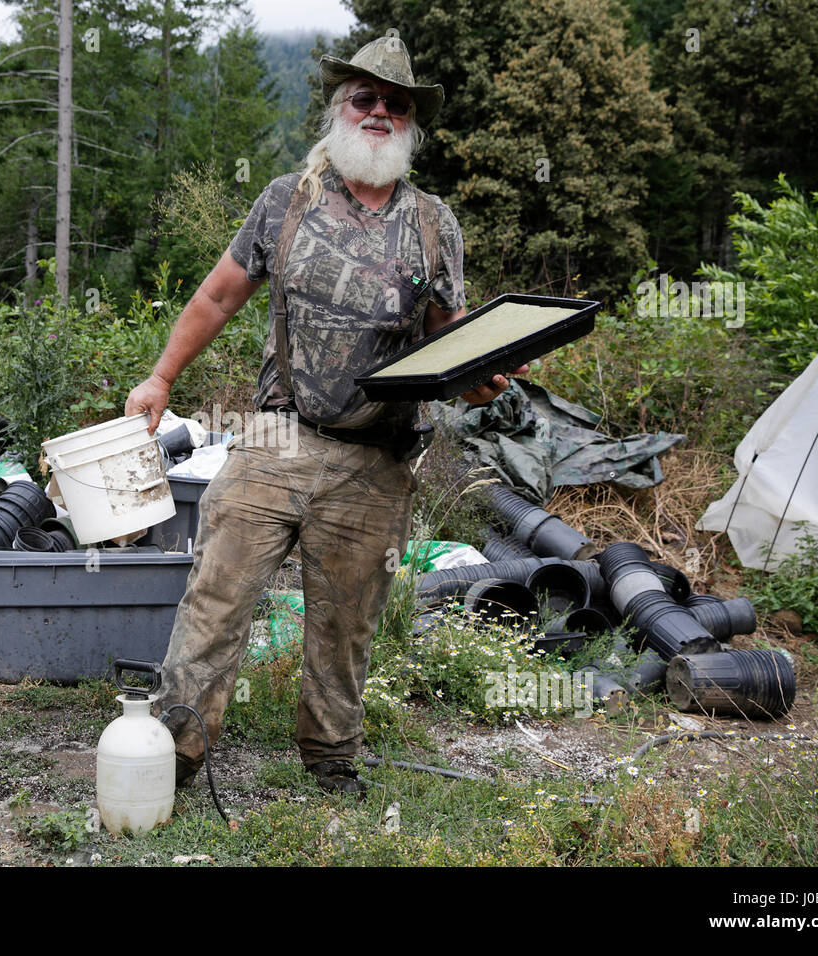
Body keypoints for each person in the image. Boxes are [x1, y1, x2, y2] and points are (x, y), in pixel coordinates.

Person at [125, 35, 526, 795]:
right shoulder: (287, 198)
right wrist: (159, 378)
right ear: (339, 109)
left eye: (394, 104)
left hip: (378, 455)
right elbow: (217, 296)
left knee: (347, 623)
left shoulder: (434, 223)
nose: (378, 111)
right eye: (364, 98)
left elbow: (449, 336)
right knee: (216, 595)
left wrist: (478, 379)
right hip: (276, 433)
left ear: (409, 125)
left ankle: (331, 758)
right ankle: (170, 755)